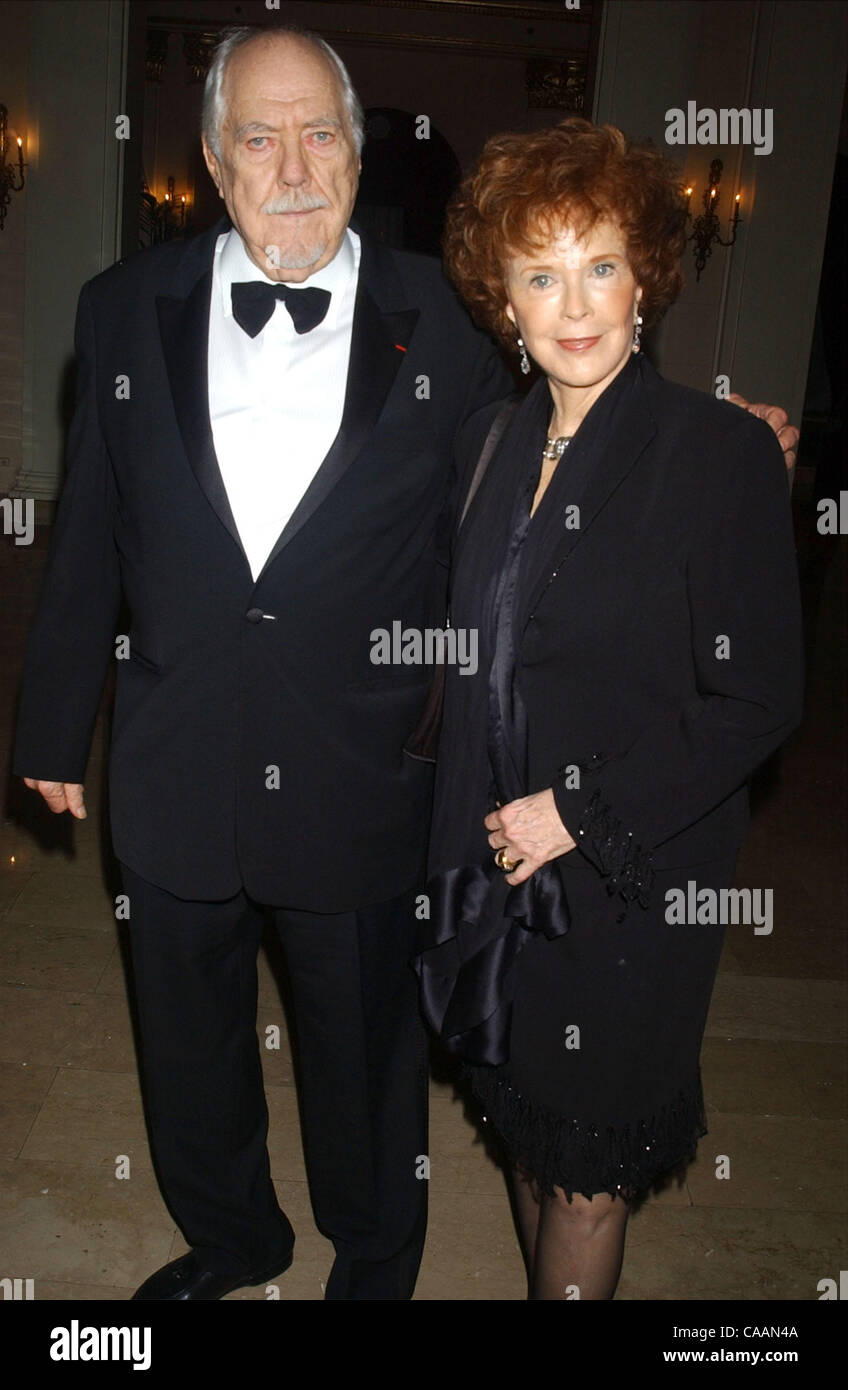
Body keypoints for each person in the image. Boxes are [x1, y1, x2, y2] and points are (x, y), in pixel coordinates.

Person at [13, 28, 795, 1302]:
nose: (293, 165)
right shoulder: (117, 309)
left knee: (363, 1050)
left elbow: (589, 380)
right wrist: (51, 727)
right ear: (213, 160)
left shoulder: (447, 311)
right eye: (257, 137)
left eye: (320, 131)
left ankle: (375, 1254)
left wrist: (738, 430)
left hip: (368, 772)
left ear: (356, 147)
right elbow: (92, 529)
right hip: (173, 757)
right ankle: (232, 1237)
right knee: (186, 1039)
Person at [413, 117, 804, 1301]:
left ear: (646, 278)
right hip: (493, 875)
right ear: (502, 300)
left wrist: (572, 812)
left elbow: (755, 698)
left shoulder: (714, 452)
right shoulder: (486, 442)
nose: (572, 303)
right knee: (529, 1128)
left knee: (584, 1177)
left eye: (599, 264)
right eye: (539, 273)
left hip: (622, 887)